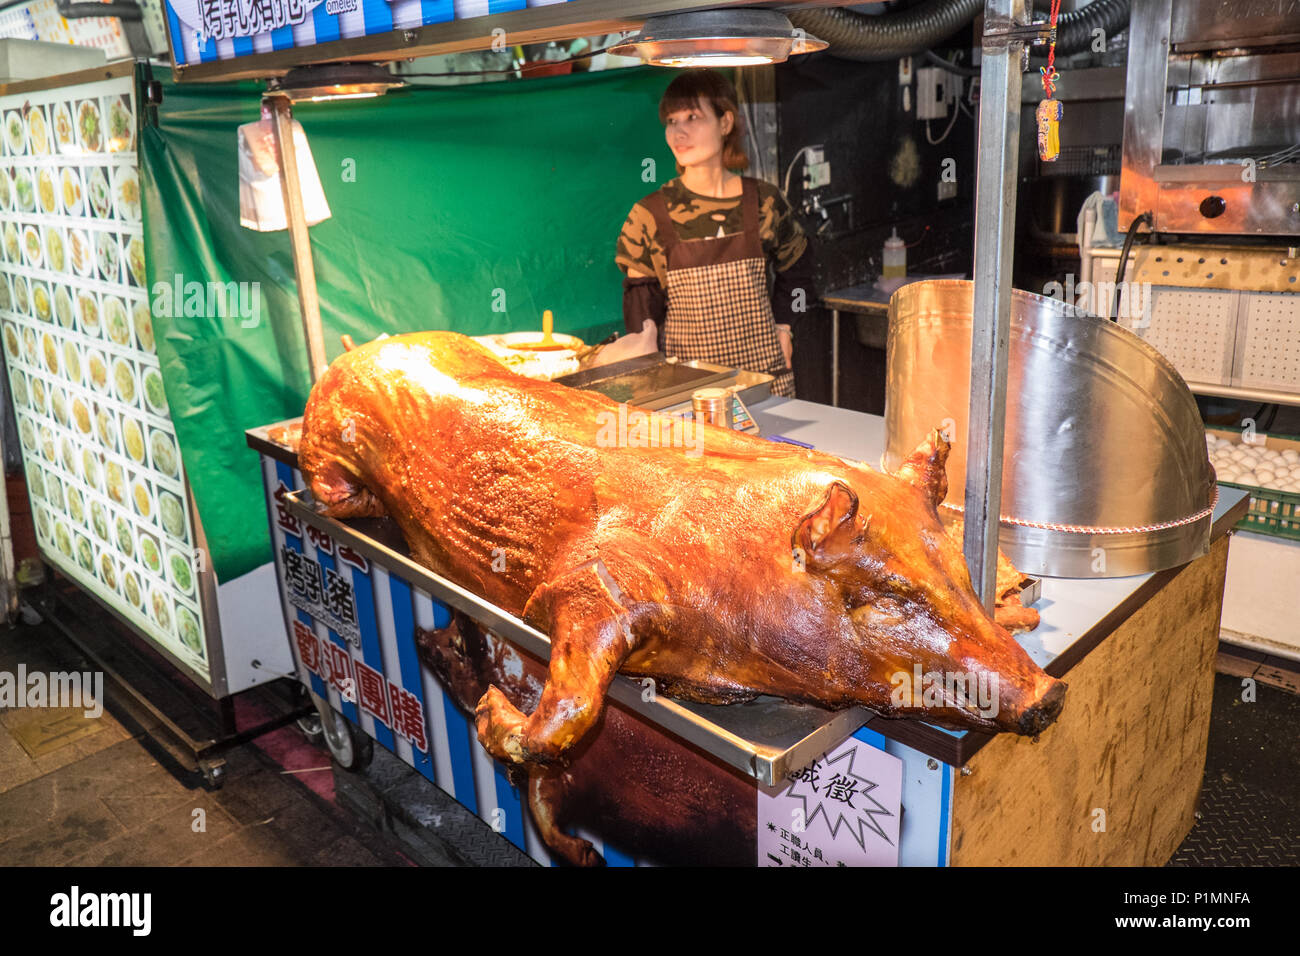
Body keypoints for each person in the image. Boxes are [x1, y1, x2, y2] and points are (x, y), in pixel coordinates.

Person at [610, 69, 815, 398]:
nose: (679, 132)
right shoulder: (647, 215)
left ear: (725, 123)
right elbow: (641, 311)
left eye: (692, 117)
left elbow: (800, 271)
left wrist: (786, 326)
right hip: (687, 392)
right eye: (672, 121)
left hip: (765, 386)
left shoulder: (764, 201)